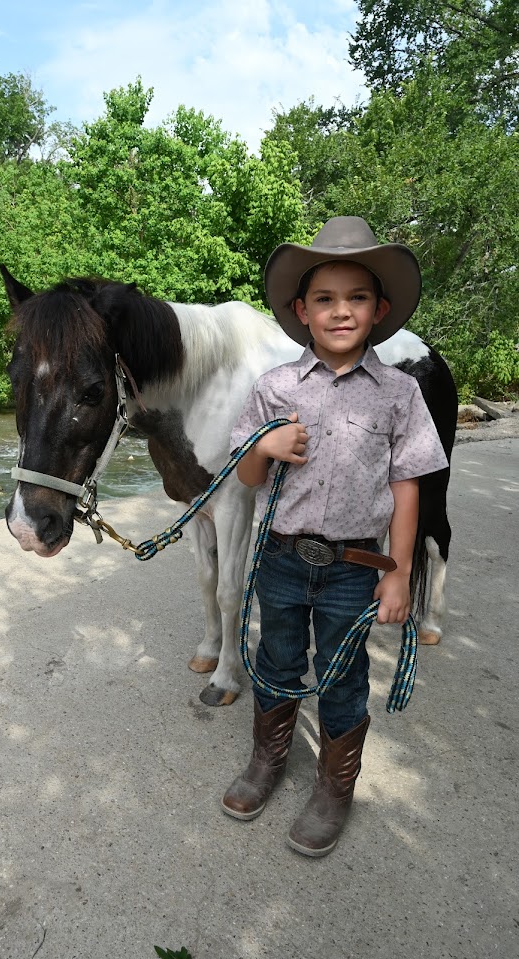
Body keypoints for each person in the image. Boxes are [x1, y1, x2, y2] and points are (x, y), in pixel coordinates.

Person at [221, 216, 448, 857]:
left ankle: (334, 786)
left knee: (343, 675)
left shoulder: (400, 394)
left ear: (379, 310)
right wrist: (263, 445)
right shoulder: (273, 388)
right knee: (276, 659)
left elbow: (408, 485)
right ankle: (267, 759)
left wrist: (399, 573)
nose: (340, 310)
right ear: (302, 311)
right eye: (324, 298)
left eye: (356, 298)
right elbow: (246, 476)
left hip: (355, 565)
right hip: (282, 558)